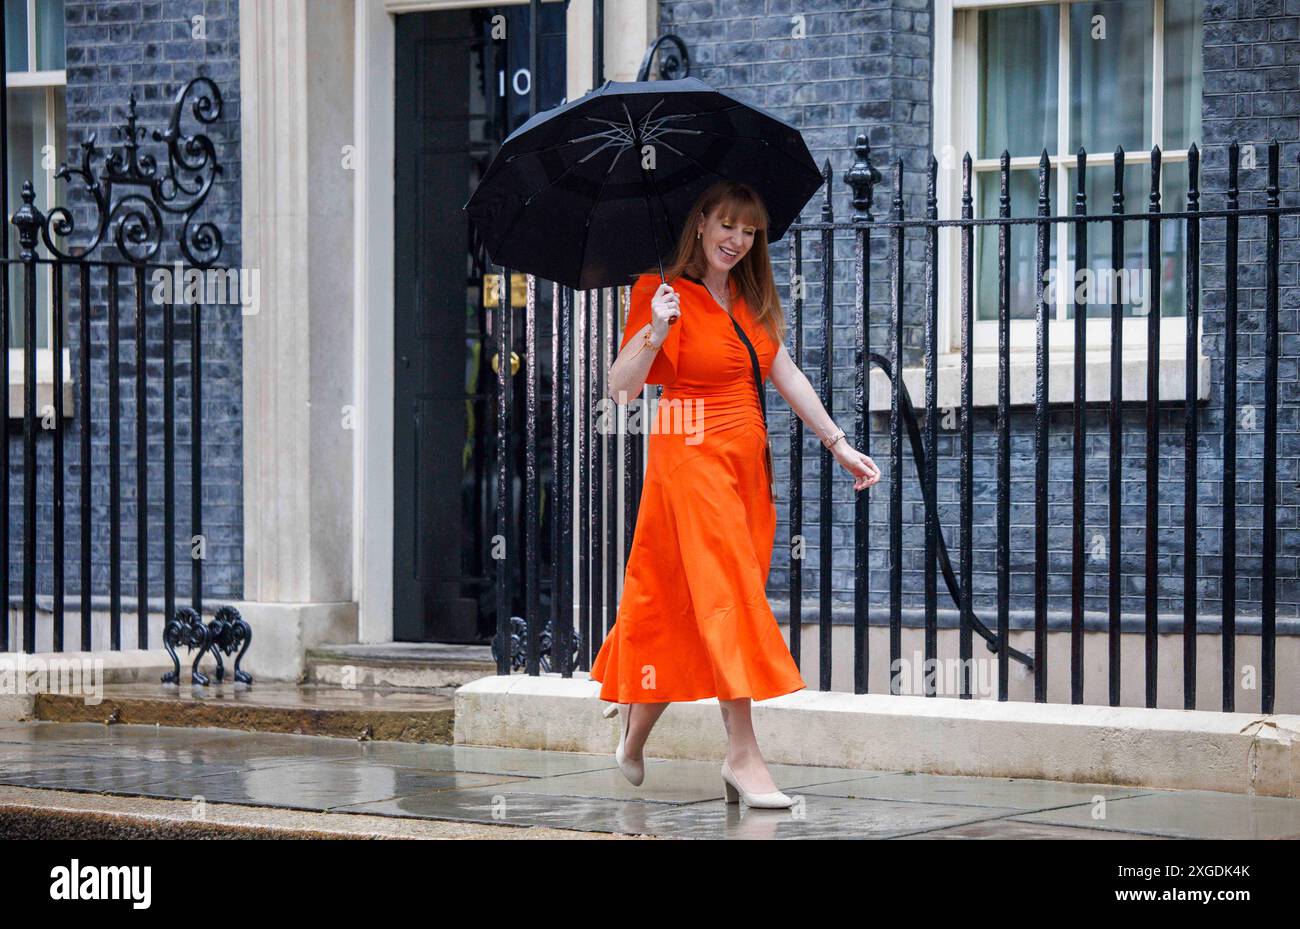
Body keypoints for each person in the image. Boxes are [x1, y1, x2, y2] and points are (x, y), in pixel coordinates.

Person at [589, 180, 881, 808]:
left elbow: (785, 371)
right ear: (699, 224)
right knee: (730, 595)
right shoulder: (658, 292)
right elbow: (621, 388)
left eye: (749, 231)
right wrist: (657, 329)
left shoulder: (750, 298)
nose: (737, 240)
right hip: (689, 455)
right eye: (726, 225)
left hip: (747, 466)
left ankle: (634, 738)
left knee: (693, 607)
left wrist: (839, 444)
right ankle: (743, 756)